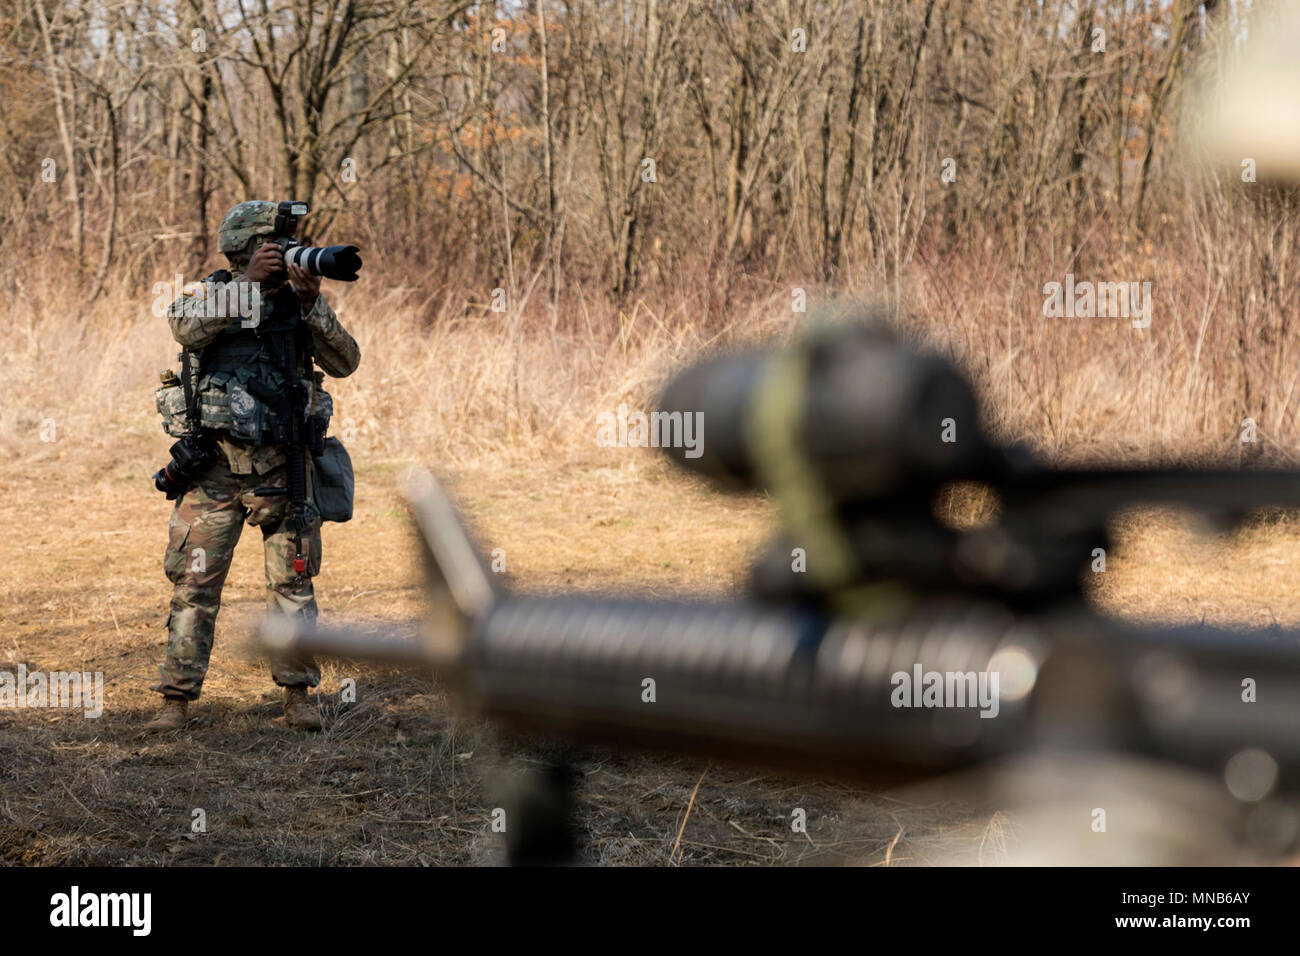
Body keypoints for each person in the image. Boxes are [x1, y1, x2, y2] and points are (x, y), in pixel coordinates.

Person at [144, 200, 360, 732]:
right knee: (194, 584)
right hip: (213, 466)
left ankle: (297, 697)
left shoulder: (297, 303)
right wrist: (246, 285)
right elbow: (185, 330)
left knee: (293, 582)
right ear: (243, 249)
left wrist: (312, 303)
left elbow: (346, 362)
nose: (283, 256)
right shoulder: (208, 292)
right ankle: (175, 701)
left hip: (282, 467)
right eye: (272, 247)